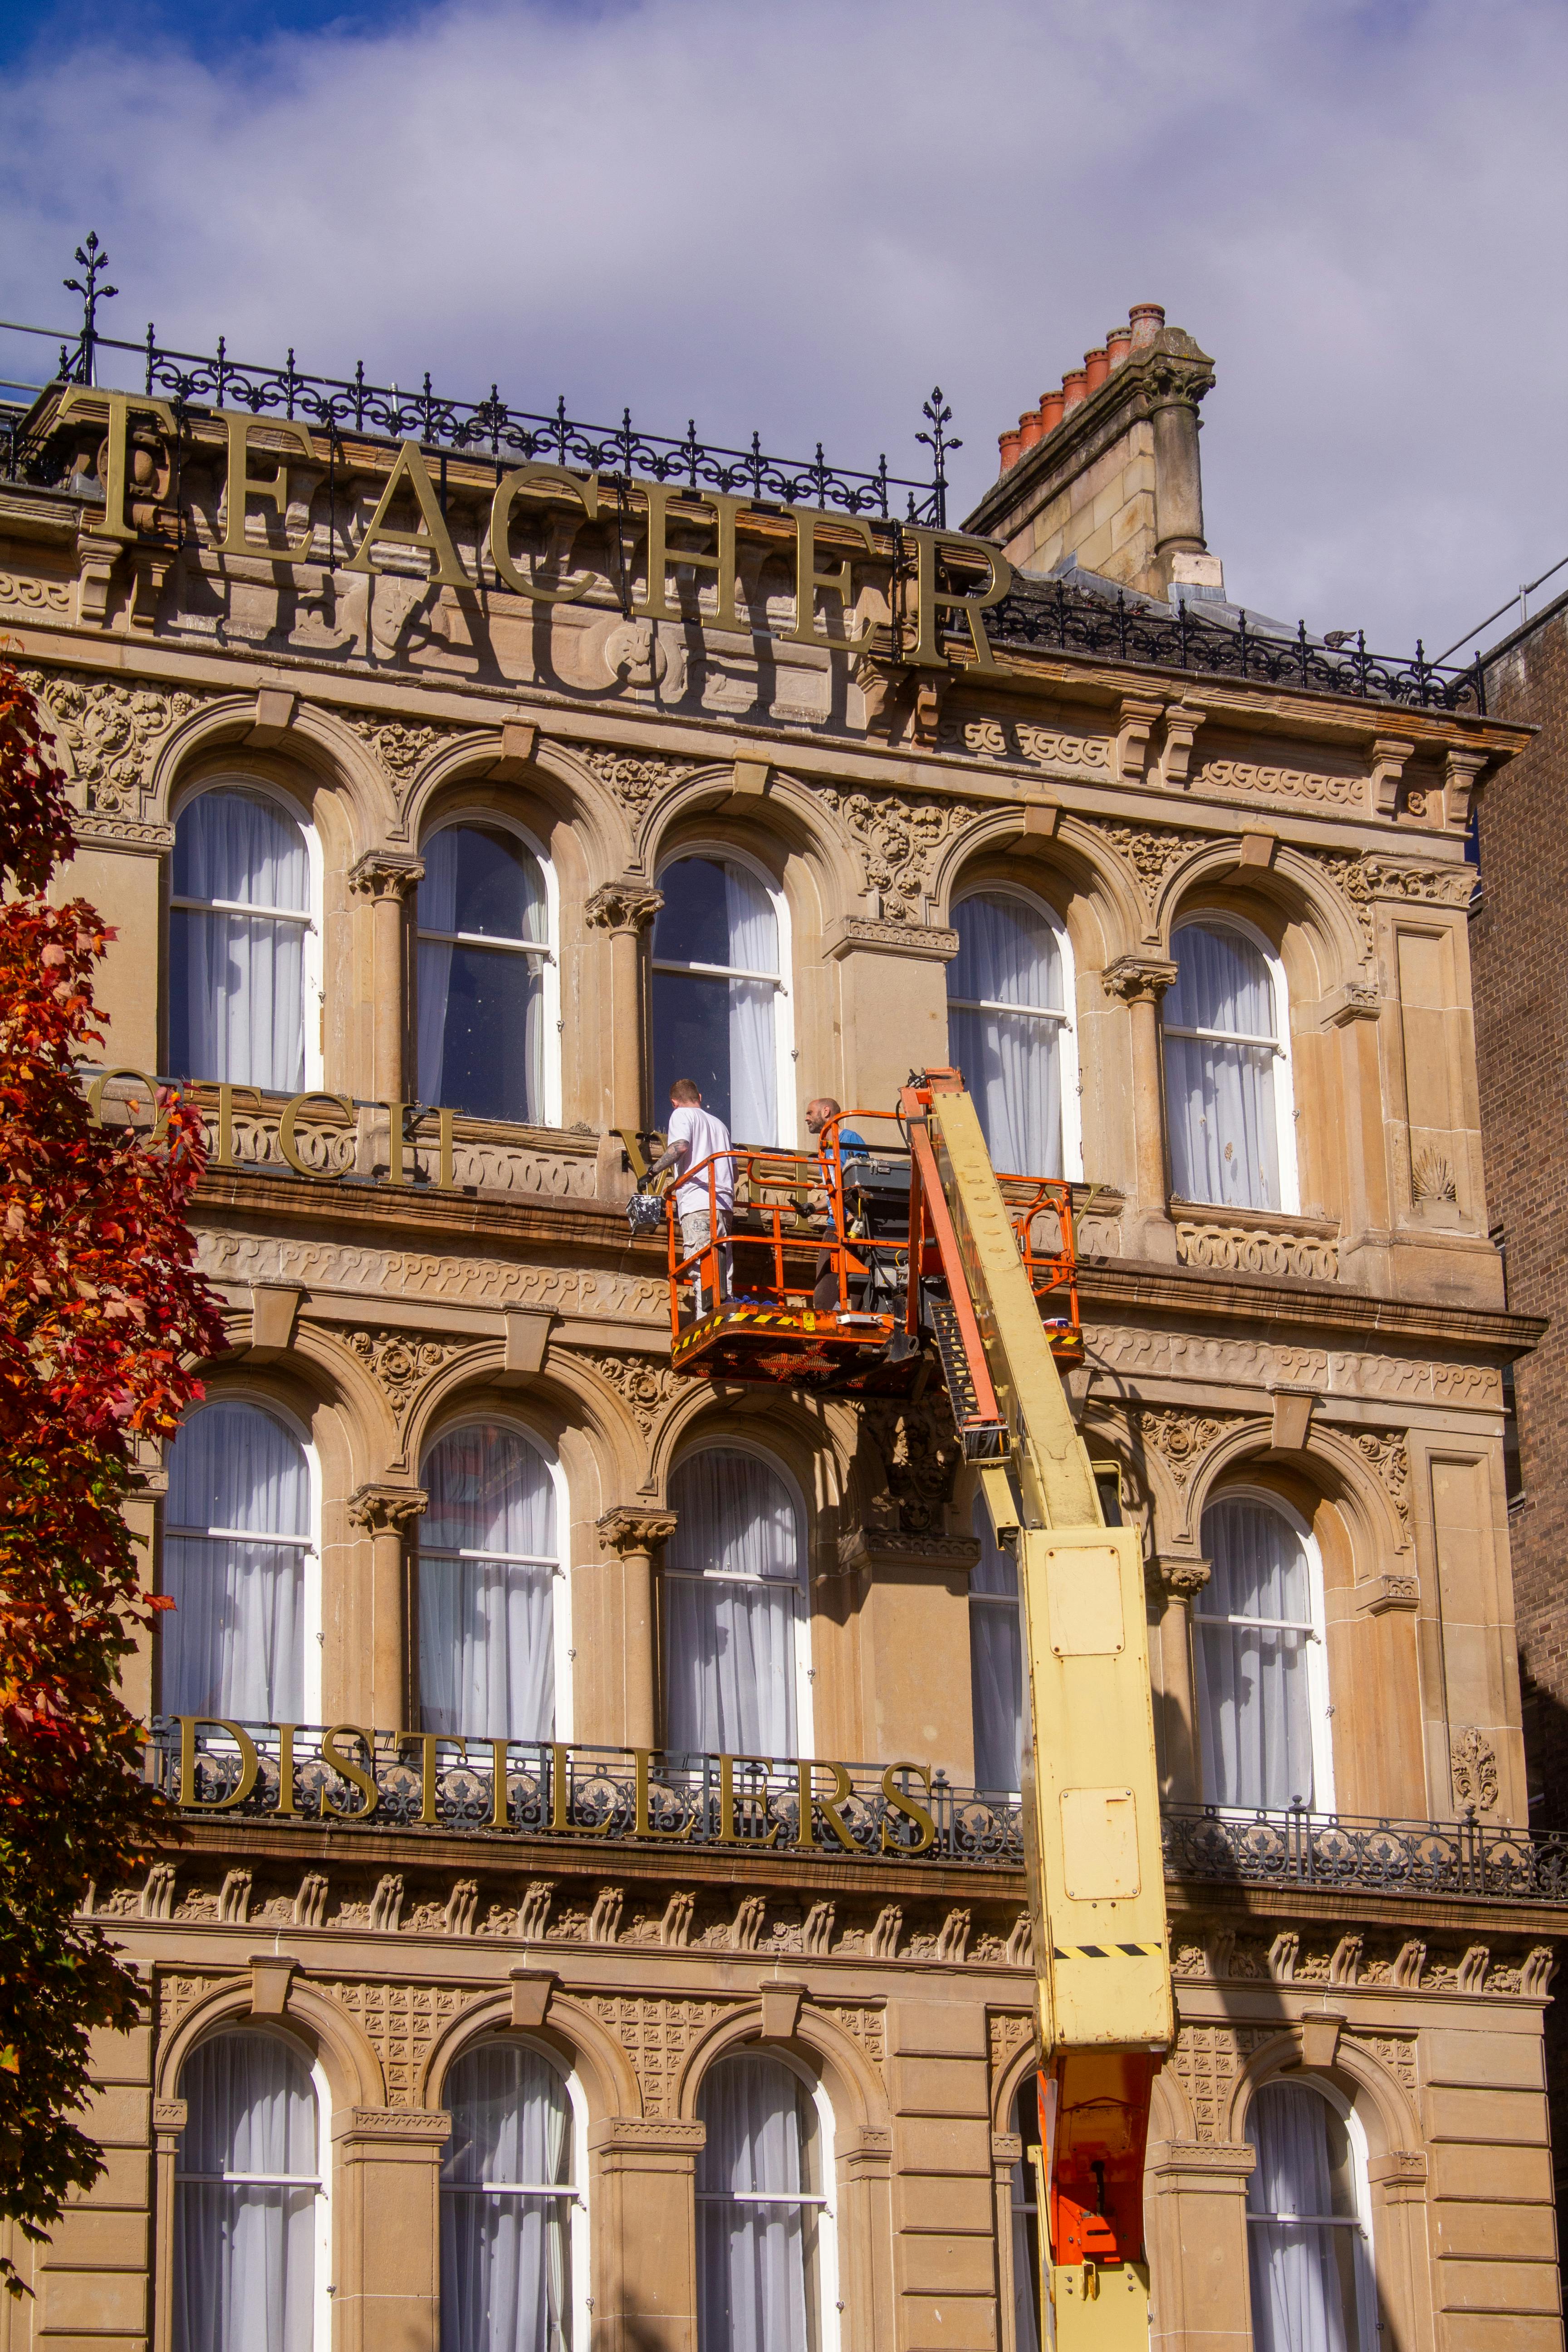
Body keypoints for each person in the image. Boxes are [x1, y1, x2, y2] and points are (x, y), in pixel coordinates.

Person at [647, 1081, 735, 1315]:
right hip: (724, 1203)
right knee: (723, 1265)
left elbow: (681, 1146)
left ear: (674, 1103)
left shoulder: (681, 1115)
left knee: (700, 1263)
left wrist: (652, 1172)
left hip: (698, 1201)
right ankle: (725, 1314)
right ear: (700, 1096)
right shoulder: (720, 1125)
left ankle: (707, 1319)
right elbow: (734, 1172)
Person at [805, 1096, 869, 1310]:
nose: (806, 1118)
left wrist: (854, 1214)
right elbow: (835, 1192)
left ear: (826, 1112)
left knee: (855, 1284)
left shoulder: (849, 1138)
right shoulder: (825, 1148)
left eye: (810, 1113)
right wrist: (814, 1207)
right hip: (835, 1225)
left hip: (853, 1225)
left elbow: (863, 1180)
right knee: (824, 1291)